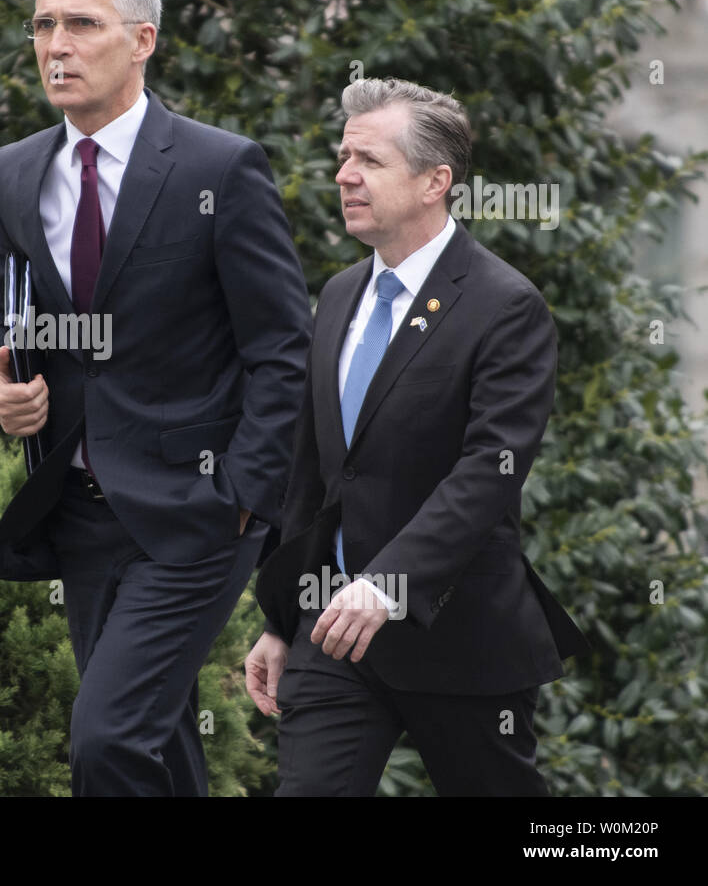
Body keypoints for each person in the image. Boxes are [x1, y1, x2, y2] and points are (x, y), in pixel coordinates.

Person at [0, 0, 311, 796]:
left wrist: (242, 496)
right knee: (156, 747)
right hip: (79, 508)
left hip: (197, 512)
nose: (57, 45)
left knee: (107, 738)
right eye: (43, 25)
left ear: (143, 40)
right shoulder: (14, 172)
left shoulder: (220, 168)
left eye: (83, 24)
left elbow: (281, 349)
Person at [245, 77, 588, 796]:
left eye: (368, 161)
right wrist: (285, 616)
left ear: (436, 181)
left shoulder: (505, 306)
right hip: (335, 631)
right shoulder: (339, 293)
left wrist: (388, 583)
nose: (343, 175)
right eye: (343, 157)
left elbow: (485, 475)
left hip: (458, 635)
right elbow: (313, 469)